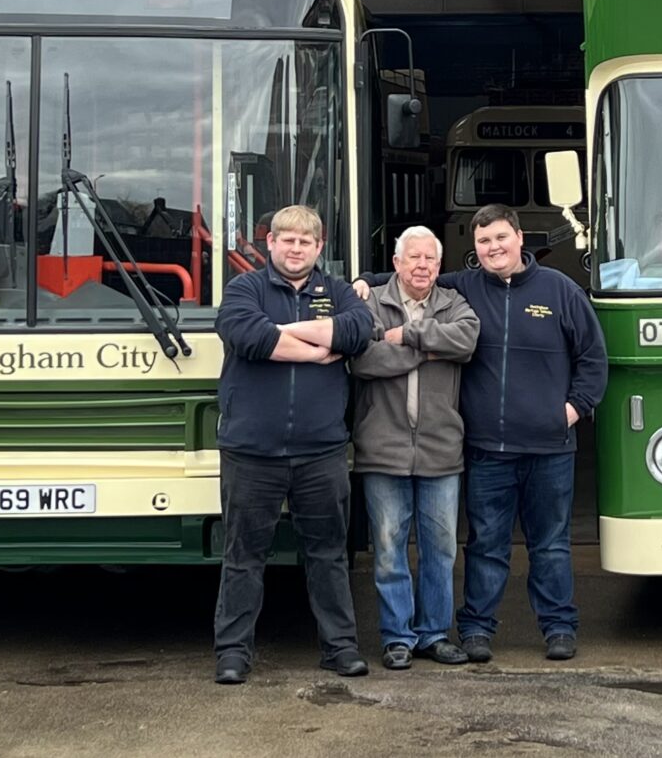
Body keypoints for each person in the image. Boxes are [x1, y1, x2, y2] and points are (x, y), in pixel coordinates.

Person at [356, 203, 607, 663]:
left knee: (550, 544)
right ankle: (475, 630)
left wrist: (572, 411)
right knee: (486, 545)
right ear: (474, 251)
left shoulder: (561, 290)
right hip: (488, 448)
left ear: (518, 239)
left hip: (551, 445)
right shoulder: (462, 287)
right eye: (484, 242)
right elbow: (412, 274)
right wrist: (361, 282)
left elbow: (593, 358)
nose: (493, 248)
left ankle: (559, 628)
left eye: (500, 239)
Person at [211, 205, 375, 685]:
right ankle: (233, 652)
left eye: (306, 241)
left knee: (328, 554)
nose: (296, 248)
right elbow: (246, 335)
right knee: (243, 556)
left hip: (320, 452)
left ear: (319, 248)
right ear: (270, 244)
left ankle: (340, 648)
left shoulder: (339, 292)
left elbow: (359, 330)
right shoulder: (244, 289)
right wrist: (321, 349)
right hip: (251, 452)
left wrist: (281, 334)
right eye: (287, 240)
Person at [349, 226, 480, 670]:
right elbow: (361, 358)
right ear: (397, 261)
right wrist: (428, 348)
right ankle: (397, 637)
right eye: (414, 258)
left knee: (440, 551)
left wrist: (405, 336)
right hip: (382, 448)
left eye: (430, 259)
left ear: (438, 266)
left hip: (442, 450)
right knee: (388, 549)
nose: (423, 266)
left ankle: (434, 634)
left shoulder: (453, 303)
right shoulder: (369, 302)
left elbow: (467, 340)